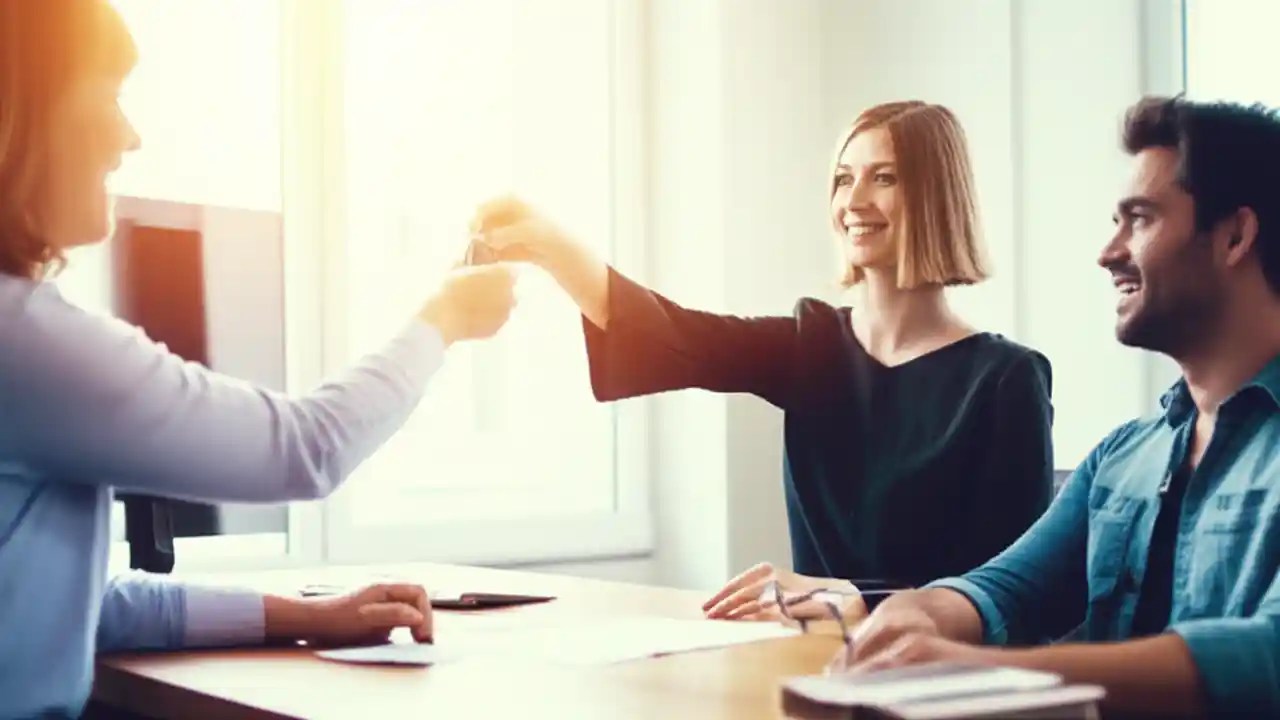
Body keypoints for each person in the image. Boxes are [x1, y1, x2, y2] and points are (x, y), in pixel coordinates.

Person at [0, 2, 518, 717]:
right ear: (20, 117)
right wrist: (446, 318)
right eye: (110, 96)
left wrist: (309, 614)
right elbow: (307, 447)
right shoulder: (23, 343)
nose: (129, 136)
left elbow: (87, 603)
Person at [469, 100, 1055, 618]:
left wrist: (843, 597)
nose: (853, 201)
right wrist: (550, 248)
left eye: (884, 178)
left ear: (936, 197)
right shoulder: (812, 344)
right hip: (810, 663)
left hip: (946, 684)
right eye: (842, 179)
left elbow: (1006, 592)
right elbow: (668, 336)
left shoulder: (1006, 380)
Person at [832, 96, 1280, 718]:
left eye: (1140, 219)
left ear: (1234, 236)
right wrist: (928, 611)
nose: (1109, 251)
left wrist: (988, 672)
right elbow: (1009, 587)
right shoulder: (1125, 455)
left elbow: (1269, 653)